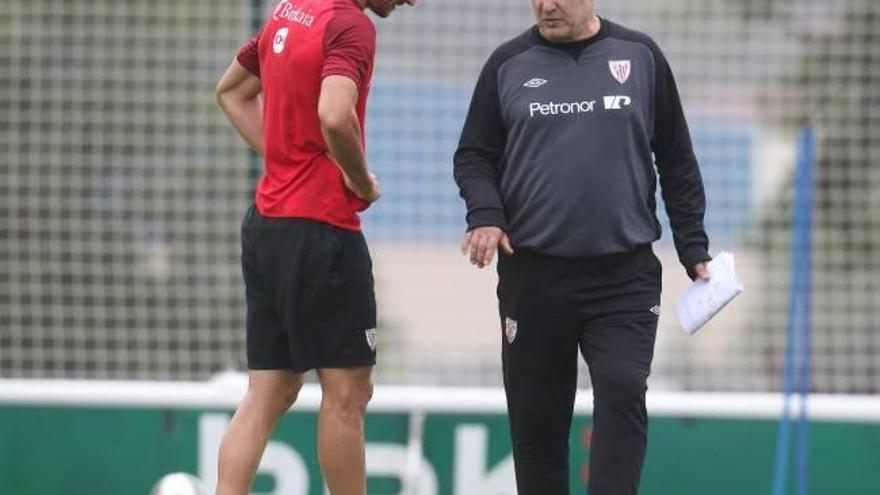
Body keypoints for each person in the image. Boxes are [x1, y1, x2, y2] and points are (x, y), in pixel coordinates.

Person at [454, 1, 711, 493]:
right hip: (533, 277)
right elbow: (474, 156)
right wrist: (485, 213)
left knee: (622, 390)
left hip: (624, 277)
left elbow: (676, 157)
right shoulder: (507, 64)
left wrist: (692, 244)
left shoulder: (639, 56)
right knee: (537, 420)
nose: (547, 5)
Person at [214, 0, 416, 494]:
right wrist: (360, 180)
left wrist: (286, 156)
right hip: (321, 231)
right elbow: (334, 114)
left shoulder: (290, 10)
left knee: (267, 392)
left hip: (267, 226)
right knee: (348, 395)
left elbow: (231, 92)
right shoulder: (349, 25)